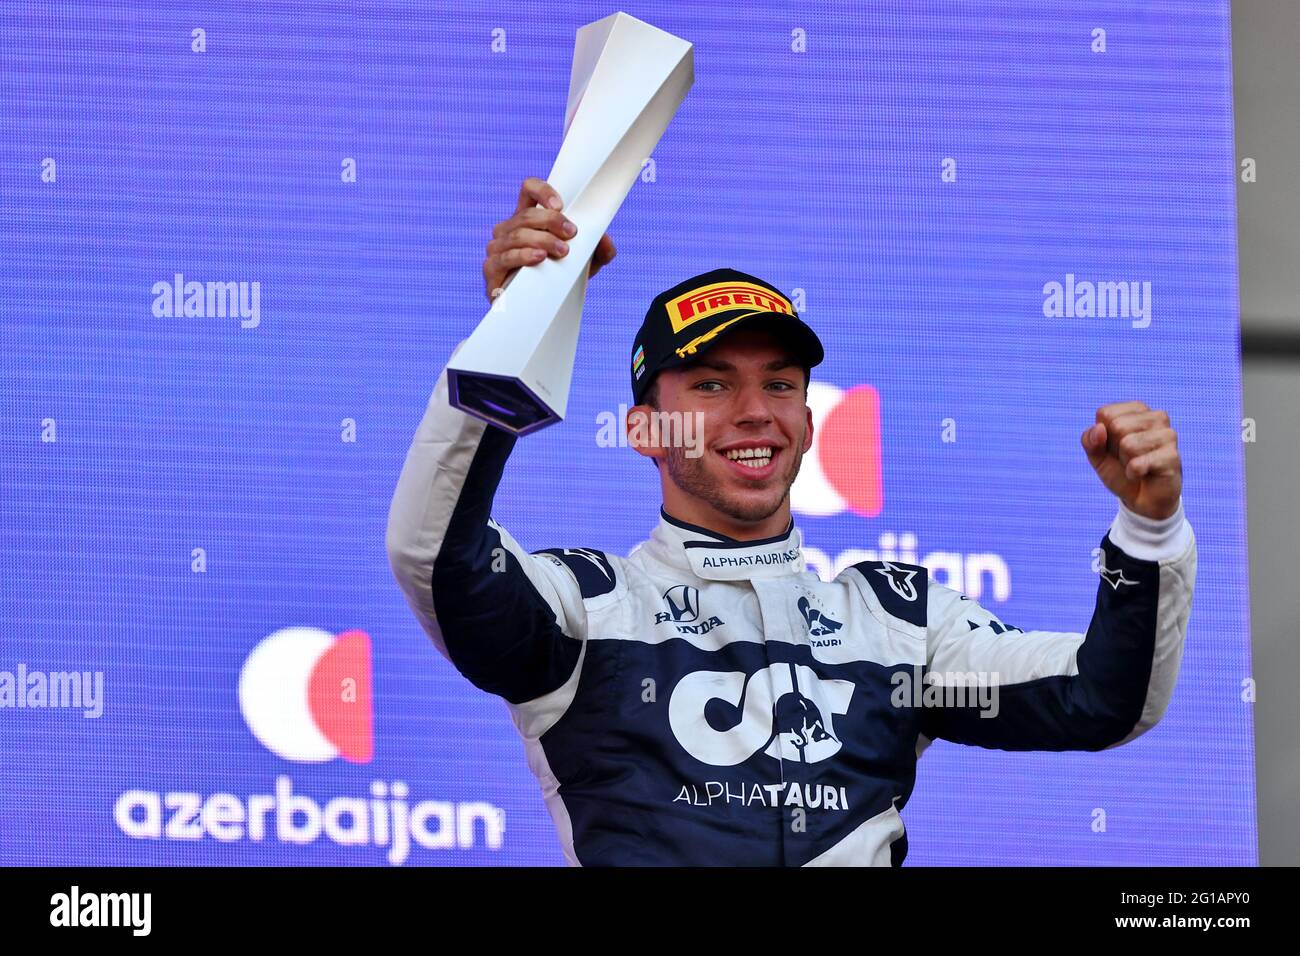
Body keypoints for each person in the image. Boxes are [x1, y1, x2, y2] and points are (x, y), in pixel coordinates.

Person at [386, 177, 1197, 866]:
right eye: (708, 386)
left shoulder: (895, 620)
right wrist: (512, 328)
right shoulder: (588, 607)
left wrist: (1148, 529)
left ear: (809, 426)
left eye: (780, 386)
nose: (753, 414)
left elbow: (1102, 699)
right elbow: (437, 557)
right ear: (642, 430)